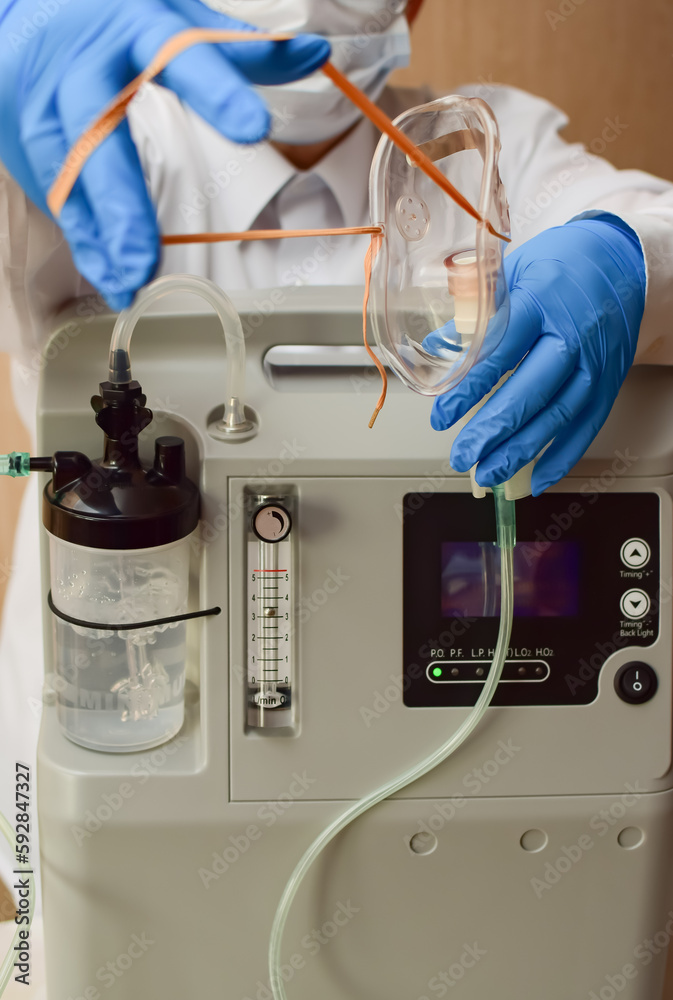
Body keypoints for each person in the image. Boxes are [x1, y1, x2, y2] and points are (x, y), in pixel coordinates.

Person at [0, 0, 672, 904]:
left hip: (449, 843)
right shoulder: (91, 142)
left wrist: (624, 253)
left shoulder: (486, 146)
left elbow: (653, 222)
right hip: (124, 771)